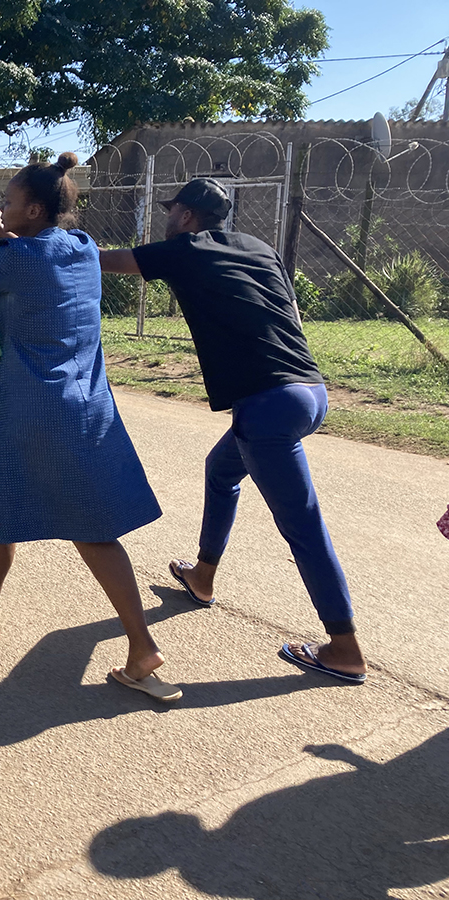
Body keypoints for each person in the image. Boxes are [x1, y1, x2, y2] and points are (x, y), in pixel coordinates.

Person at [0, 153, 180, 702]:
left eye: (8, 202)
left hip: (37, 409)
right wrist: (7, 233)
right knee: (7, 506)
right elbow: (36, 258)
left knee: (86, 528)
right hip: (85, 402)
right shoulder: (78, 248)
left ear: (33, 208)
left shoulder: (21, 258)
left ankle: (141, 646)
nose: (1, 208)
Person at [99, 177, 367, 684]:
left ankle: (345, 648)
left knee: (303, 526)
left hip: (266, 407)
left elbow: (103, 260)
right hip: (309, 390)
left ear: (186, 215)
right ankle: (202, 577)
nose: (168, 215)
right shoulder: (258, 247)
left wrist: (27, 239)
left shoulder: (184, 250)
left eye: (171, 208)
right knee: (222, 470)